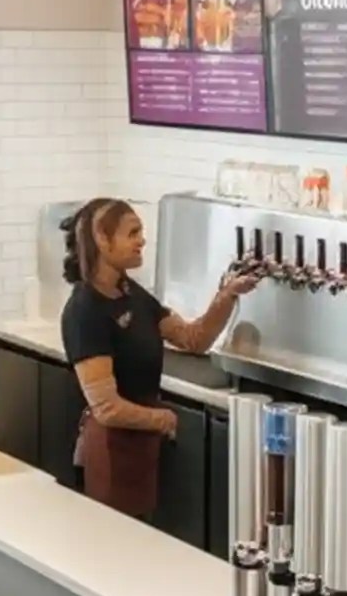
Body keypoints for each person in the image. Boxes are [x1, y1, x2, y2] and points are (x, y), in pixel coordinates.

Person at [59, 198, 258, 518]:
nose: (142, 240)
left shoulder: (131, 295)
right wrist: (162, 419)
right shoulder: (85, 310)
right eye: (133, 232)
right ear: (101, 238)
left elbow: (193, 338)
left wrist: (228, 295)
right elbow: (107, 408)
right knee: (114, 548)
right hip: (111, 449)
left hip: (140, 445)